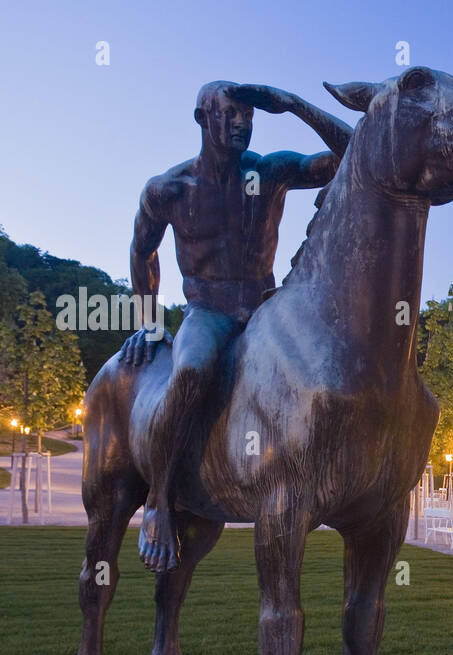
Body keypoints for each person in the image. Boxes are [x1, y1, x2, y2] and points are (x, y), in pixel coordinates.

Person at [117, 80, 352, 572]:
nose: (242, 123)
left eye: (249, 115)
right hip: (208, 311)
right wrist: (148, 322)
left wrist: (294, 104)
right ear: (203, 119)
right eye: (230, 115)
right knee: (191, 371)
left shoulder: (267, 173)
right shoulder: (170, 190)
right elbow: (143, 253)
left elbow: (353, 153)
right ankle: (158, 501)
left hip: (266, 308)